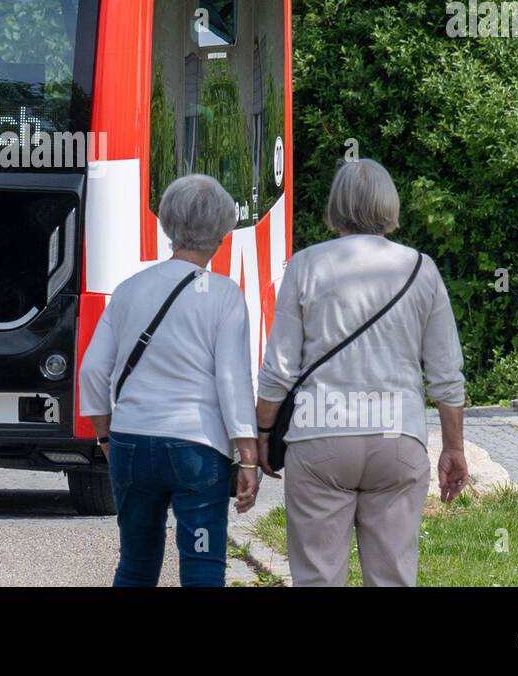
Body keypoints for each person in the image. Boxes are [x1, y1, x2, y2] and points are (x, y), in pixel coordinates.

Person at [256, 158, 468, 587]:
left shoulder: (305, 265)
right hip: (398, 437)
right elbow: (446, 375)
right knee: (393, 577)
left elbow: (279, 369)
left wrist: (262, 433)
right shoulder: (419, 269)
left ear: (337, 205)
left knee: (317, 577)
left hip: (319, 437)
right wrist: (453, 448)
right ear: (389, 205)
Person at [79, 174, 259, 587]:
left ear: (167, 225)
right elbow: (233, 383)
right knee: (202, 565)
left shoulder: (128, 289)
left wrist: (106, 438)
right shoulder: (224, 295)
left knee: (135, 564)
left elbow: (92, 370)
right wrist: (247, 457)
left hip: (131, 442)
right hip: (197, 452)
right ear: (222, 231)